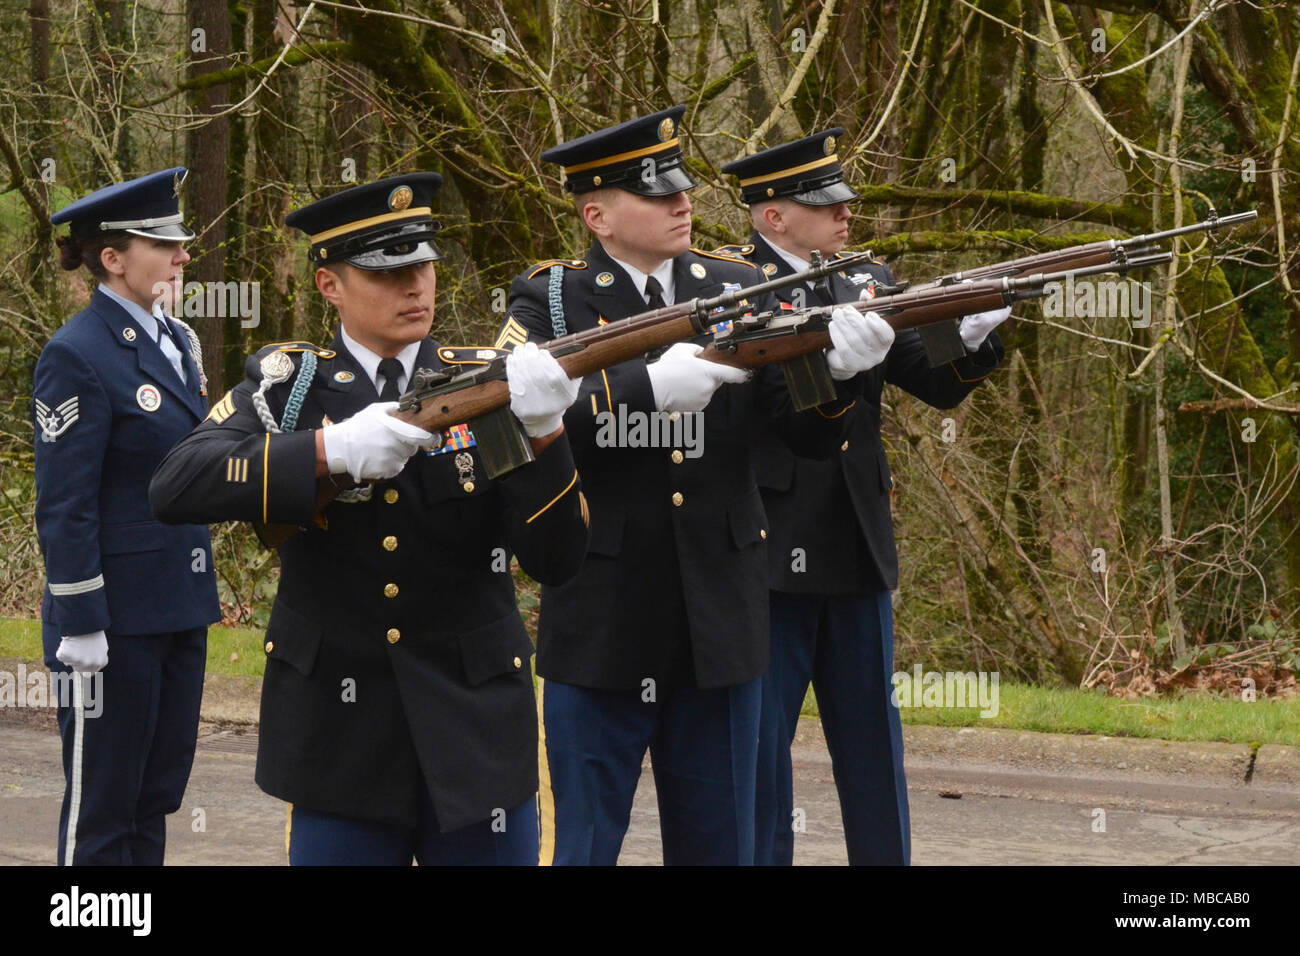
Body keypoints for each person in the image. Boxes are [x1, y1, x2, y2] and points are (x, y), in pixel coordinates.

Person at [149, 173, 589, 865]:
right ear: (330, 286)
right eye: (389, 272)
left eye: (424, 266)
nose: (416, 286)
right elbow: (177, 484)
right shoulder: (289, 388)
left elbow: (556, 559)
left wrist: (545, 434)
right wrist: (331, 450)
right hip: (337, 743)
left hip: (474, 736)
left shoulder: (490, 384)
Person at [500, 106, 895, 865]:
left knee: (725, 846)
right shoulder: (549, 302)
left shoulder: (739, 287)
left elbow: (802, 435)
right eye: (656, 194)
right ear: (598, 215)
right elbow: (518, 426)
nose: (682, 202)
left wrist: (838, 375)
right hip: (603, 615)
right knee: (581, 844)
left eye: (682, 188)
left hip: (720, 615)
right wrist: (643, 390)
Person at [718, 129, 1009, 865]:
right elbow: (758, 409)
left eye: (846, 201)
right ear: (772, 216)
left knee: (873, 747)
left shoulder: (862, 279)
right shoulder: (726, 288)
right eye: (825, 204)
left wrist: (972, 334)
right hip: (772, 547)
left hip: (855, 540)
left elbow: (934, 381)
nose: (846, 214)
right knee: (762, 753)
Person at [34, 166, 220, 865]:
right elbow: (65, 501)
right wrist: (80, 617)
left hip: (178, 603)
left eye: (180, 244)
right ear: (112, 258)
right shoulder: (76, 355)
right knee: (104, 808)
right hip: (112, 621)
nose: (181, 256)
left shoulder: (177, 341)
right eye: (162, 244)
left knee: (156, 796)